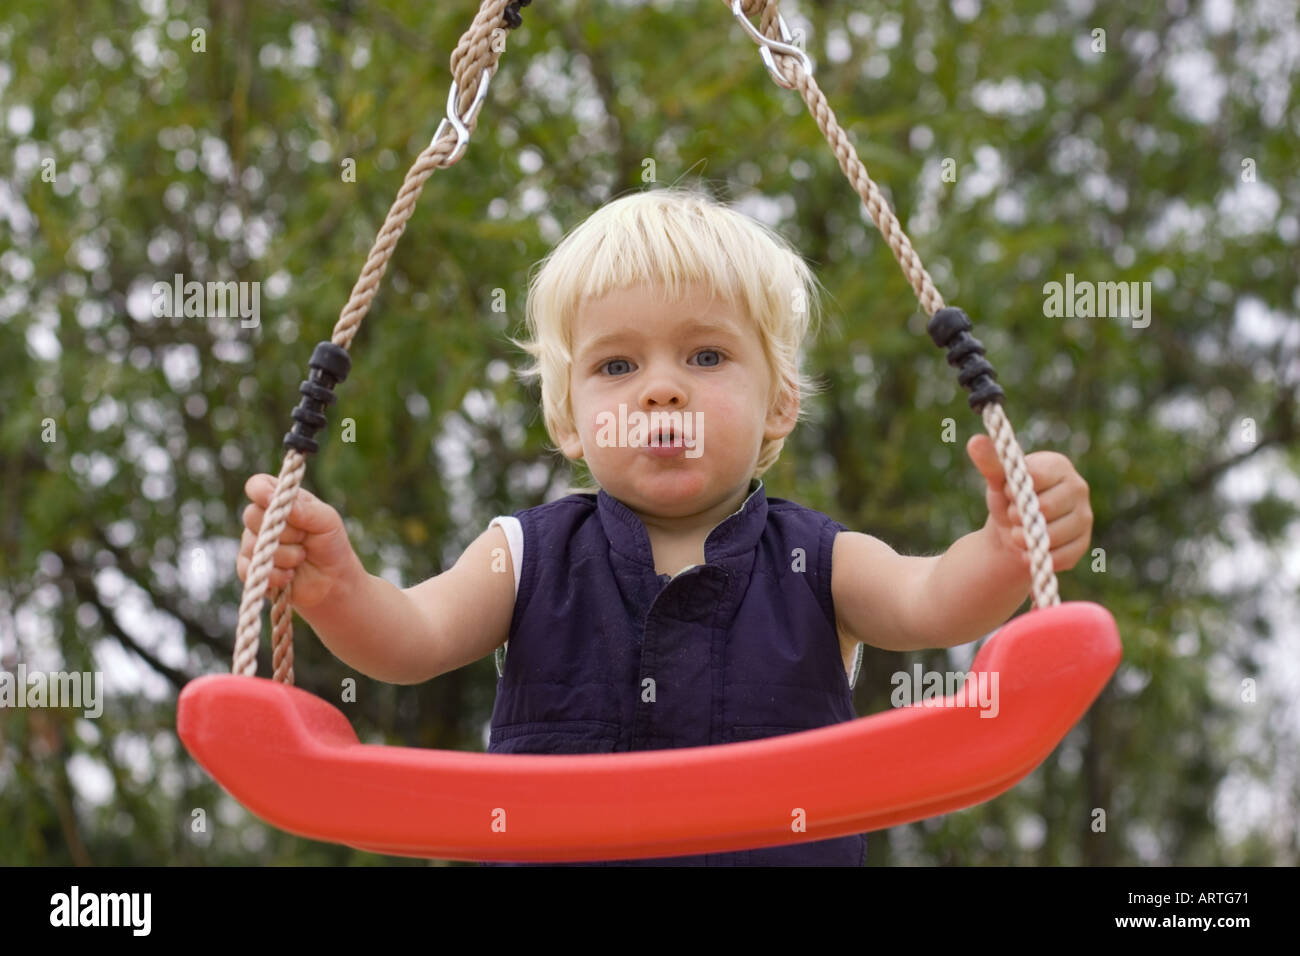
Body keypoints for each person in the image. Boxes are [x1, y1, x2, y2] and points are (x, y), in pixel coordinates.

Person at [237, 186, 1094, 866]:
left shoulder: (819, 561)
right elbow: (413, 638)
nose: (662, 389)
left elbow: (931, 600)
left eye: (706, 356)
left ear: (779, 403)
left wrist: (1005, 550)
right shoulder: (525, 556)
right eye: (617, 365)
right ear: (568, 419)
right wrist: (338, 588)